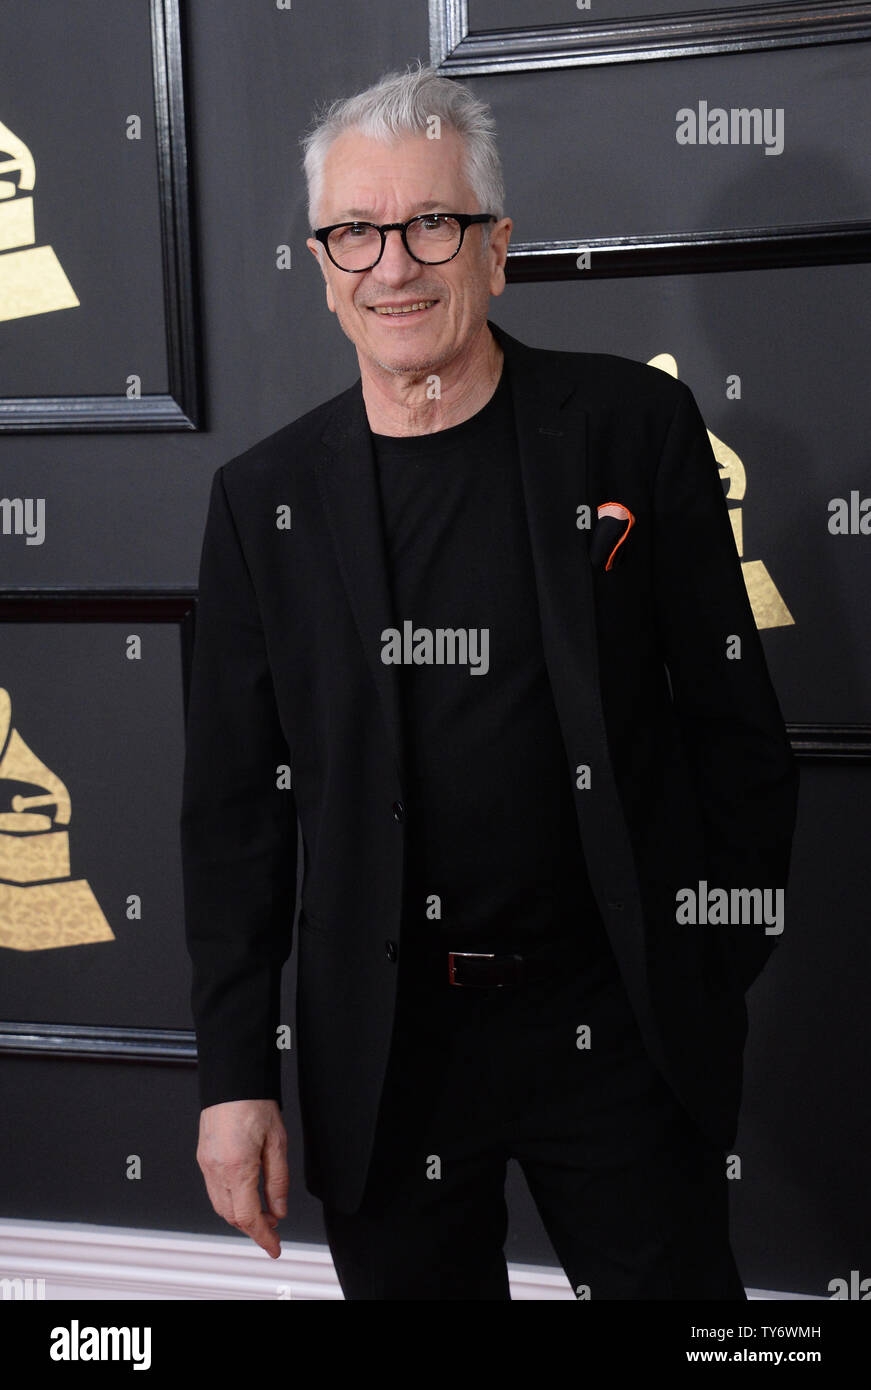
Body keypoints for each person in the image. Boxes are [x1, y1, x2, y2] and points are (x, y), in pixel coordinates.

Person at [180, 62, 799, 1299]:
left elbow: (736, 732)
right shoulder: (263, 503)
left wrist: (696, 963)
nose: (393, 264)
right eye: (356, 231)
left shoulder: (631, 427)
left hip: (618, 1022)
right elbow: (237, 818)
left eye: (432, 224)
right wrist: (235, 1079)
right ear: (322, 267)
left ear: (497, 247)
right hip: (391, 1047)